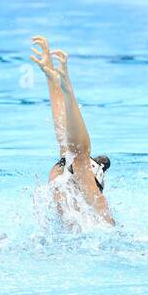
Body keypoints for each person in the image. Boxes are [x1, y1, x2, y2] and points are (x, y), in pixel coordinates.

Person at [30, 35, 114, 227]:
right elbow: (62, 128)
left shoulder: (94, 211)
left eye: (63, 165)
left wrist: (67, 89)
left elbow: (79, 151)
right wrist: (51, 77)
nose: (54, 173)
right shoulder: (73, 214)